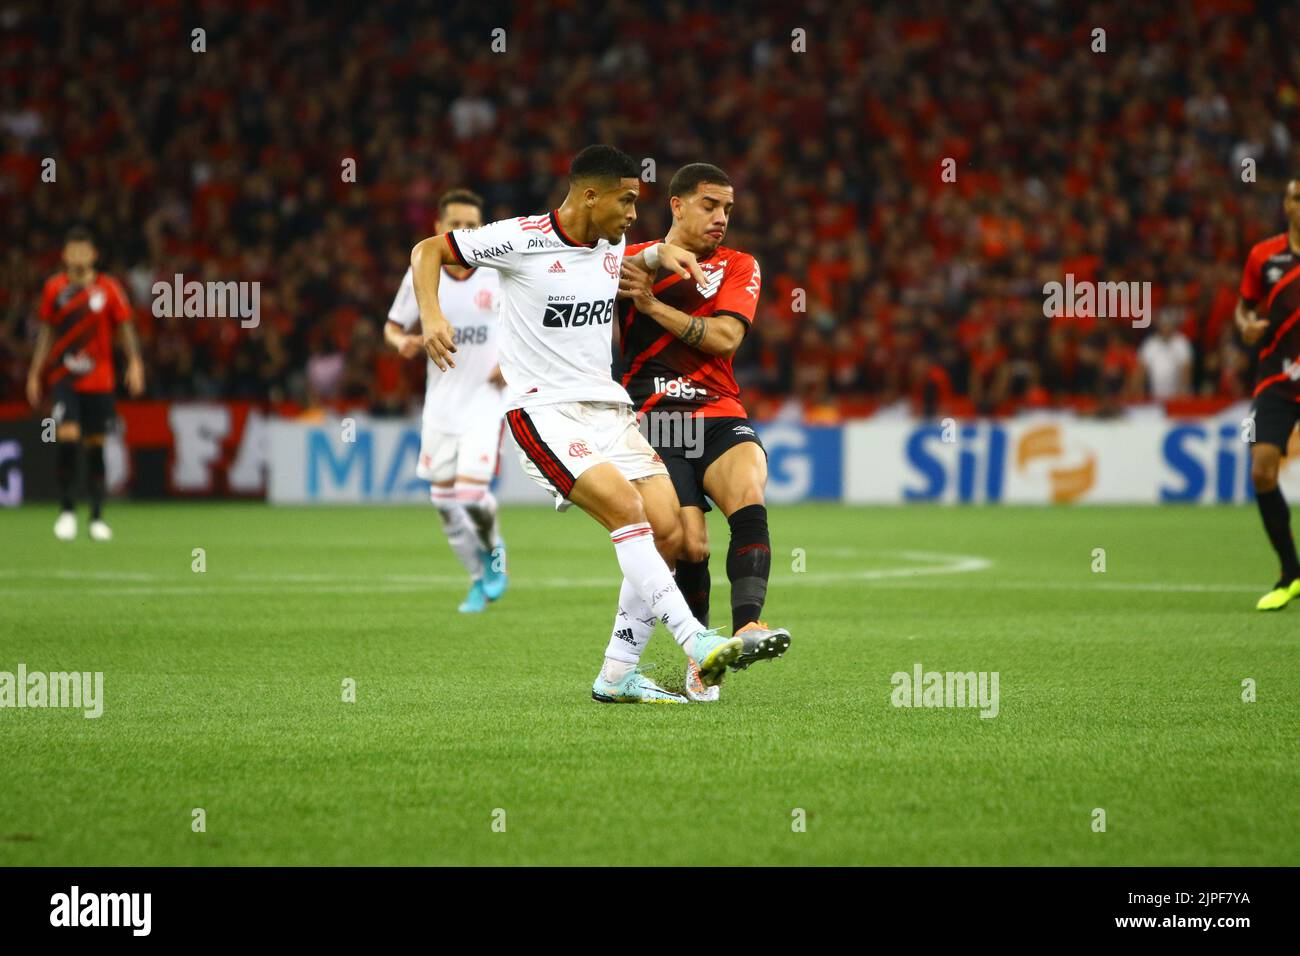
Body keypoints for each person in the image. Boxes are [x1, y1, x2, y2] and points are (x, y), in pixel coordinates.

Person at [411, 145, 745, 702]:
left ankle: (617, 675)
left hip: (609, 409)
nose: (635, 212)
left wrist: (666, 256)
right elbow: (428, 250)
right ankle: (696, 641)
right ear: (590, 195)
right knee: (627, 511)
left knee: (671, 530)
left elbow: (635, 255)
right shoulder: (521, 239)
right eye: (628, 199)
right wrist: (431, 314)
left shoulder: (612, 244)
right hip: (542, 411)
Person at [616, 163, 791, 701]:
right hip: (656, 418)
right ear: (677, 204)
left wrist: (649, 306)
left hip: (718, 411)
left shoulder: (739, 265)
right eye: (710, 205)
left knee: (748, 489)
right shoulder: (629, 262)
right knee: (690, 544)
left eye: (728, 209)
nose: (722, 218)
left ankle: (747, 627)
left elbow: (722, 339)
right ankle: (702, 655)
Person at [386, 189, 508, 612]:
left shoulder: (499, 273)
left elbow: (531, 328)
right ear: (439, 229)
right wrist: (402, 340)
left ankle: (494, 553)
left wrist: (510, 362)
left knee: (471, 496)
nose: (465, 232)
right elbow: (392, 326)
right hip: (440, 404)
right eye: (456, 225)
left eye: (473, 226)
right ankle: (477, 578)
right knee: (442, 502)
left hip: (487, 400)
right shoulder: (422, 271)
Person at [26, 226, 145, 541]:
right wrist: (35, 371)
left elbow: (125, 327)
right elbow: (47, 332)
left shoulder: (108, 288)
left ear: (93, 255)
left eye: (83, 250)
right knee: (67, 437)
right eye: (72, 250)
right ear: (65, 255)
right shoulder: (54, 288)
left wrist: (134, 362)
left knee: (95, 446)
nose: (78, 256)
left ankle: (96, 516)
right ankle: (66, 511)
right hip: (65, 379)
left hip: (100, 381)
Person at [1237, 178, 1300, 610]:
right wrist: (1246, 326)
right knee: (1261, 470)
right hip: (1276, 376)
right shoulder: (1263, 255)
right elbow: (1245, 306)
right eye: (1297, 196)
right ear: (1286, 205)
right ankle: (1289, 573)